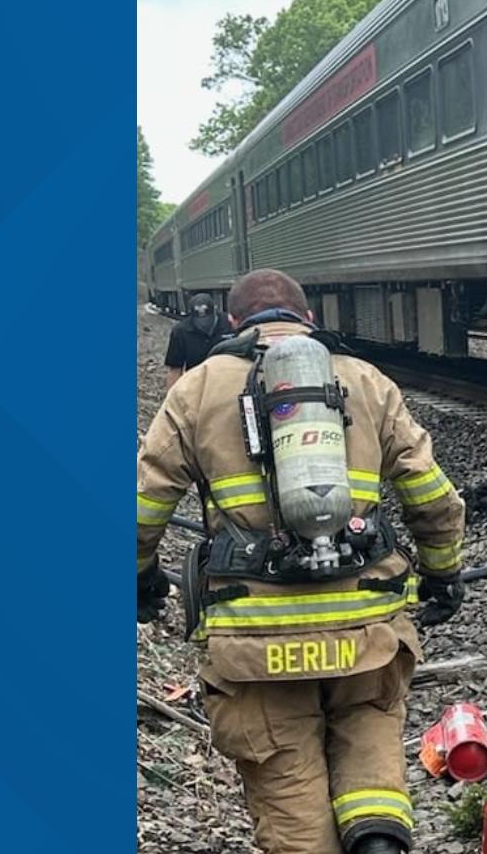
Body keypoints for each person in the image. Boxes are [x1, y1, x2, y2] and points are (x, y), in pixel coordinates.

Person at [137, 269, 466, 854]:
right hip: (366, 630)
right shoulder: (366, 381)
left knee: (291, 795)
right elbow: (433, 498)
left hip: (254, 643)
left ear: (233, 323)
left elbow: (142, 507)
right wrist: (442, 573)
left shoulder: (198, 388)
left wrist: (142, 580)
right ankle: (378, 841)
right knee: (368, 743)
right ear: (308, 319)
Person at [164, 292, 232, 390]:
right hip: (197, 385)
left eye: (207, 319)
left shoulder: (230, 324)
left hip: (227, 380)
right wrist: (172, 398)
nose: (204, 325)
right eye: (200, 321)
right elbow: (175, 369)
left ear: (215, 310)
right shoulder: (180, 331)